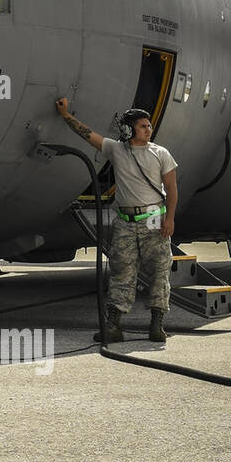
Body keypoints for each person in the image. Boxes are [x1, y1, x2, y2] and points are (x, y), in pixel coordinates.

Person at [55, 98, 178, 343]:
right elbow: (87, 134)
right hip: (125, 221)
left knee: (159, 273)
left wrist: (170, 219)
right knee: (121, 273)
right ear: (130, 130)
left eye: (148, 126)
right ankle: (114, 325)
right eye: (142, 126)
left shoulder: (161, 154)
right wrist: (65, 115)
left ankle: (157, 324)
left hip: (154, 220)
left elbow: (172, 189)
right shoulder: (117, 150)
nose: (148, 129)